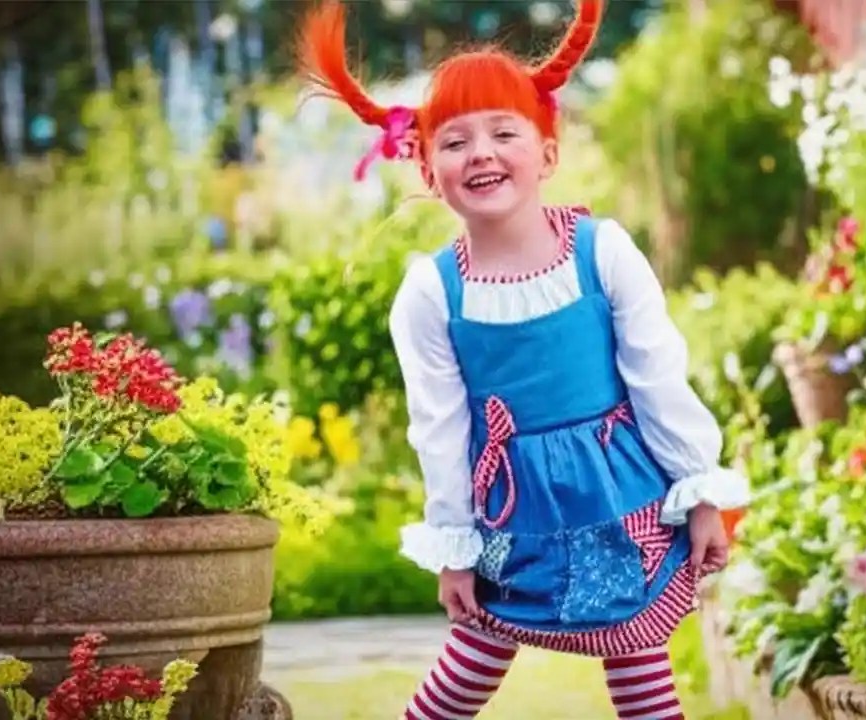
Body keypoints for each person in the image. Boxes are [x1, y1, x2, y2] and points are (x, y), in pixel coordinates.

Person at [297, 2, 751, 717]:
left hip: (621, 501)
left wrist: (699, 493)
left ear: (547, 153)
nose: (481, 153)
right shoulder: (431, 294)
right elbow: (439, 428)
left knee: (639, 661)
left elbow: (657, 379)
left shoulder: (603, 253)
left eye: (504, 132)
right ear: (428, 169)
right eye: (455, 141)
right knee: (466, 669)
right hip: (511, 516)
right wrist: (455, 548)